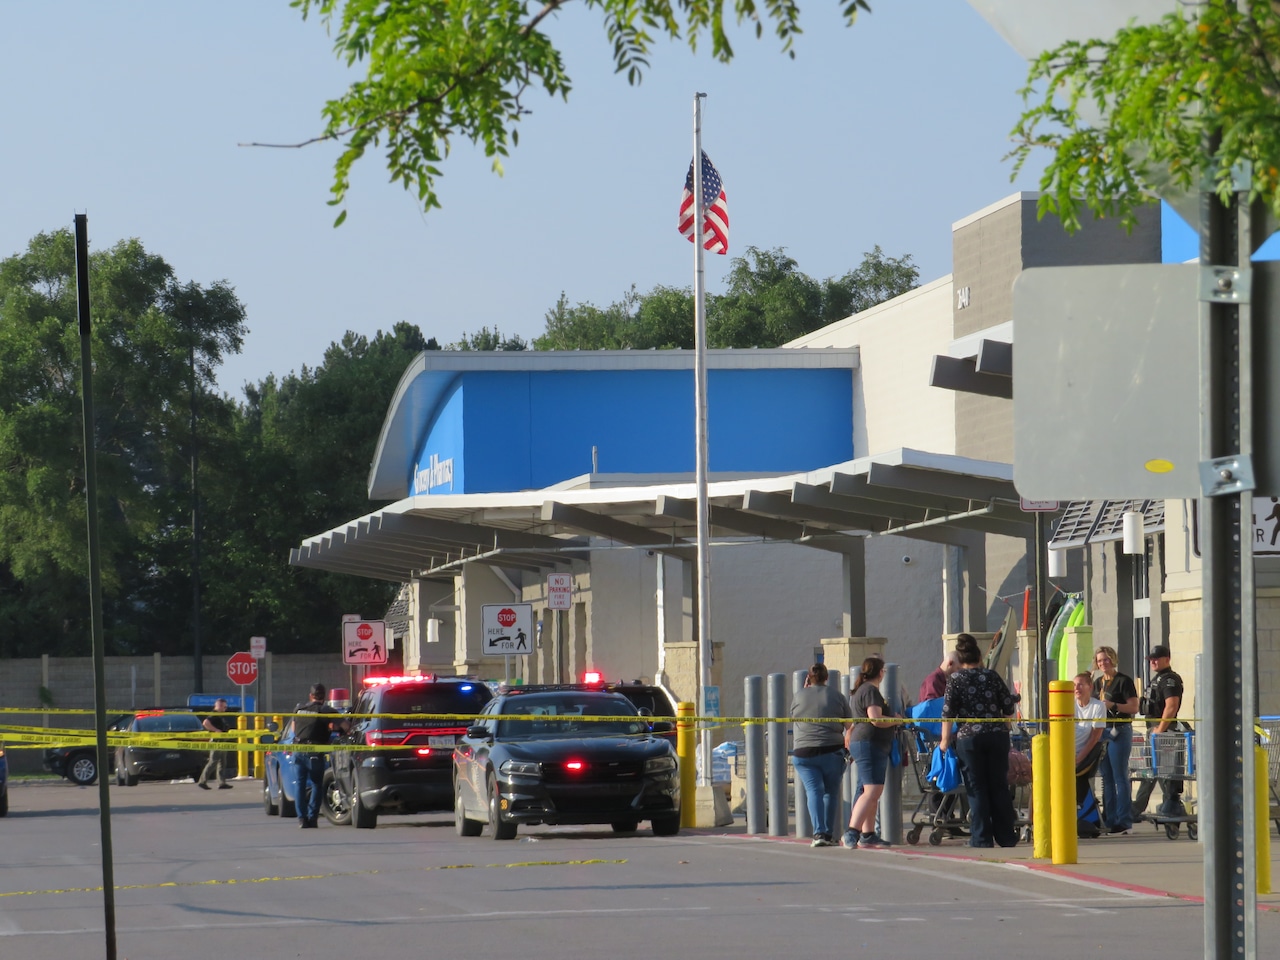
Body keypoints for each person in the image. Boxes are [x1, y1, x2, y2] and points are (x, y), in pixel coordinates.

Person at [939, 633, 1018, 848]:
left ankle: (981, 838)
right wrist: (1005, 725)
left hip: (970, 738)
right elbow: (1009, 705)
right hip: (996, 735)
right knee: (999, 785)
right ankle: (1006, 837)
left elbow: (948, 713)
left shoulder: (955, 679)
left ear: (960, 659)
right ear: (979, 656)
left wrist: (945, 740)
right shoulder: (991, 676)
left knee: (977, 787)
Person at [789, 662, 852, 847]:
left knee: (813, 790)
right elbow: (850, 726)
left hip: (803, 752)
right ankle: (828, 833)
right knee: (831, 792)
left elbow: (793, 716)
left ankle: (818, 833)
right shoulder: (837, 696)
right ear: (827, 678)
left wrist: (804, 691)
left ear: (808, 678)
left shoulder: (798, 696)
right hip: (831, 750)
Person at [842, 656, 897, 849]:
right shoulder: (871, 691)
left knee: (869, 790)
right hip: (869, 743)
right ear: (880, 672)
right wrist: (896, 720)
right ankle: (852, 832)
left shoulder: (862, 690)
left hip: (869, 743)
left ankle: (868, 833)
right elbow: (876, 719)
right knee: (872, 790)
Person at [1132, 645, 1185, 820]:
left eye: (1156, 658)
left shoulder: (1169, 679)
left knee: (1165, 772)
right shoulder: (1158, 678)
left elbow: (1171, 706)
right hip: (1154, 728)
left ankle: (1171, 804)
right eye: (1150, 659)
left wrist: (1159, 731)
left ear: (1167, 659)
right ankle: (1161, 805)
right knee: (1152, 770)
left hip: (1164, 731)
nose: (1152, 662)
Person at [1091, 645, 1138, 834]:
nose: (1103, 663)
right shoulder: (1098, 683)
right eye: (1100, 660)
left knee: (1120, 776)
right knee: (1106, 777)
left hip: (1120, 729)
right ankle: (1109, 818)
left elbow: (1134, 707)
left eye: (1106, 659)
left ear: (1113, 659)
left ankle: (1124, 819)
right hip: (1102, 731)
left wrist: (1113, 705)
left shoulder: (1123, 681)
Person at [292, 683, 343, 828]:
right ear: (324, 697)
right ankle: (312, 817)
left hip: (298, 750)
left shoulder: (299, 709)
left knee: (300, 784)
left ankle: (302, 819)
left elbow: (294, 730)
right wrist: (334, 727)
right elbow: (346, 727)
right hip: (314, 752)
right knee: (316, 784)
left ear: (310, 696)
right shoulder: (326, 710)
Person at [1073, 672, 1105, 807]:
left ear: (1090, 687)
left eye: (1080, 684)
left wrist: (1078, 759)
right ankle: (1032, 822)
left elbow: (1094, 737)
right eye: (1074, 685)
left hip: (1082, 755)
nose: (1077, 688)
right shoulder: (1067, 704)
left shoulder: (1098, 706)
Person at [196, 697, 233, 790]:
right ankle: (202, 781)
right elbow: (205, 723)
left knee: (222, 762)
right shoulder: (214, 714)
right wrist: (216, 730)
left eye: (225, 707)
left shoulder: (220, 716)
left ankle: (222, 782)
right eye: (221, 706)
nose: (223, 708)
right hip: (217, 740)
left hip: (222, 741)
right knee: (213, 761)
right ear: (216, 706)